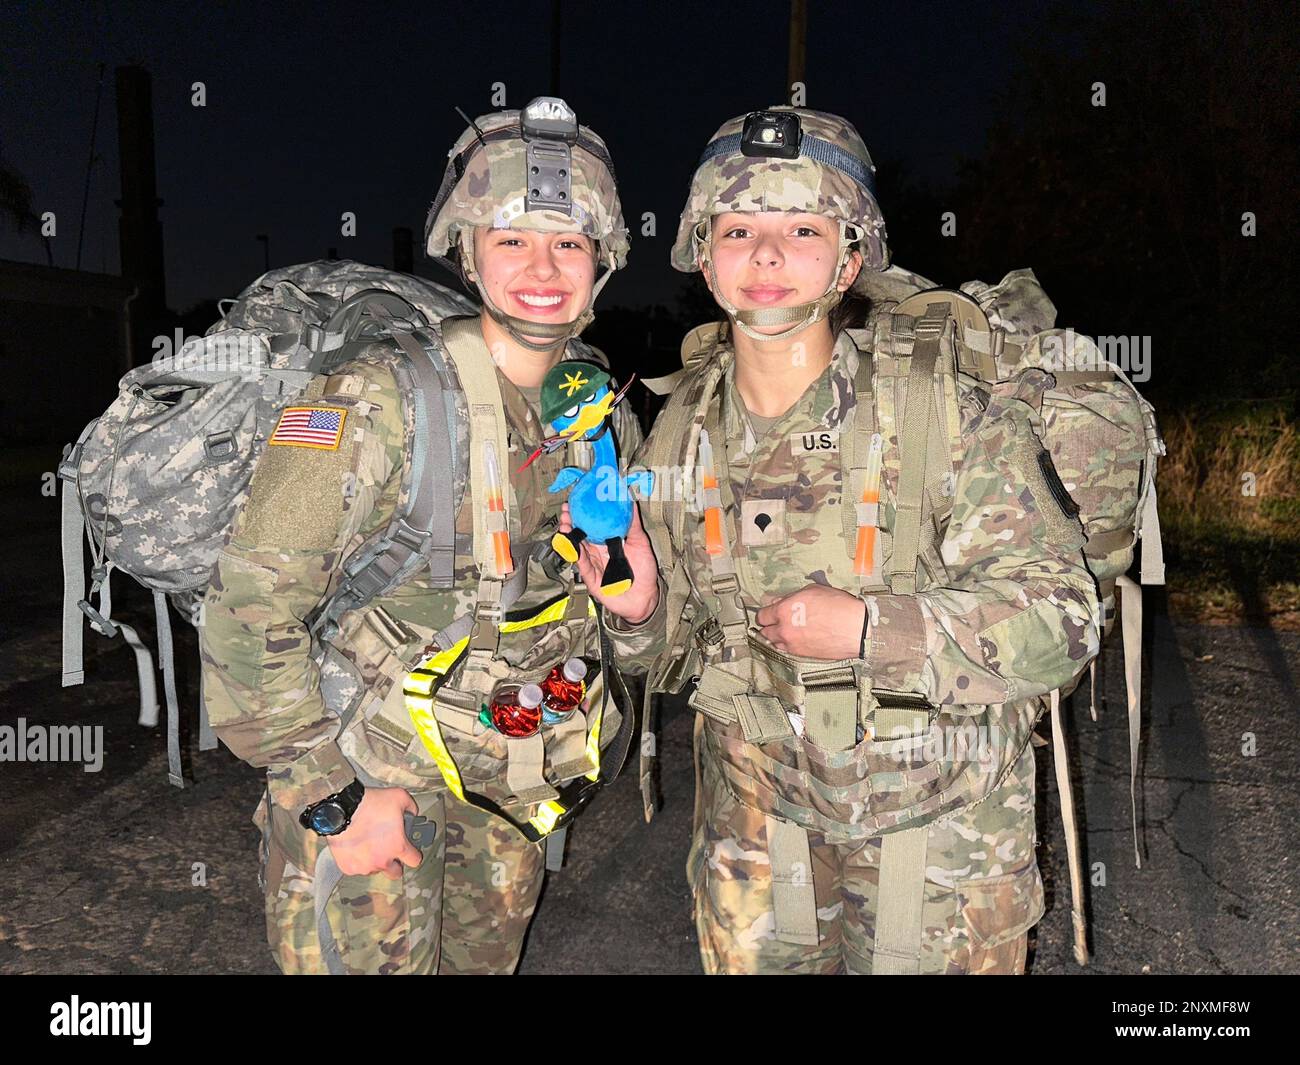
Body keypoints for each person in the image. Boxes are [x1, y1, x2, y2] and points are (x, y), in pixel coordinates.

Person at [573, 106, 1100, 974]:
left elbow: (1064, 619)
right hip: (757, 827)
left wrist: (870, 629)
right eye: (740, 228)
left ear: (851, 255)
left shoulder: (942, 412)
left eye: (803, 227)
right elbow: (674, 662)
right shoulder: (680, 431)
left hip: (938, 839)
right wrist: (639, 609)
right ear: (703, 254)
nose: (768, 255)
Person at [200, 97, 644, 975]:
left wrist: (639, 605)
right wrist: (329, 797)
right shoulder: (380, 398)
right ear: (469, 254)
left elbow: (618, 616)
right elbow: (249, 611)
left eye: (568, 242)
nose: (543, 267)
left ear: (603, 262)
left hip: (506, 780)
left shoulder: (600, 413)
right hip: (372, 780)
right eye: (511, 239)